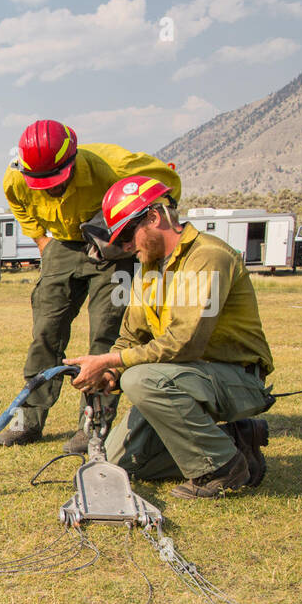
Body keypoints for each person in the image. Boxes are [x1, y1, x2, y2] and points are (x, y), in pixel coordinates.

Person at [65, 175, 274, 499]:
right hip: (180, 376)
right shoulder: (149, 270)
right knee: (122, 462)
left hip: (236, 378)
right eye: (120, 241)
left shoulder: (208, 257)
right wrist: (109, 371)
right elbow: (130, 338)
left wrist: (113, 362)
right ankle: (235, 443)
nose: (126, 247)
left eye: (127, 236)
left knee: (140, 379)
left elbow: (185, 342)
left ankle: (222, 469)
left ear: (154, 217)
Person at [0, 120, 181, 451]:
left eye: (56, 181)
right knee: (45, 333)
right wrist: (45, 246)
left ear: (73, 159)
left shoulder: (116, 165)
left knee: (106, 336)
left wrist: (134, 234)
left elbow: (167, 186)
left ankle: (93, 423)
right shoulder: (14, 179)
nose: (50, 190)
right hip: (62, 246)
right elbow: (22, 210)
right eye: (40, 184)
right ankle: (28, 418)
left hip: (112, 252)